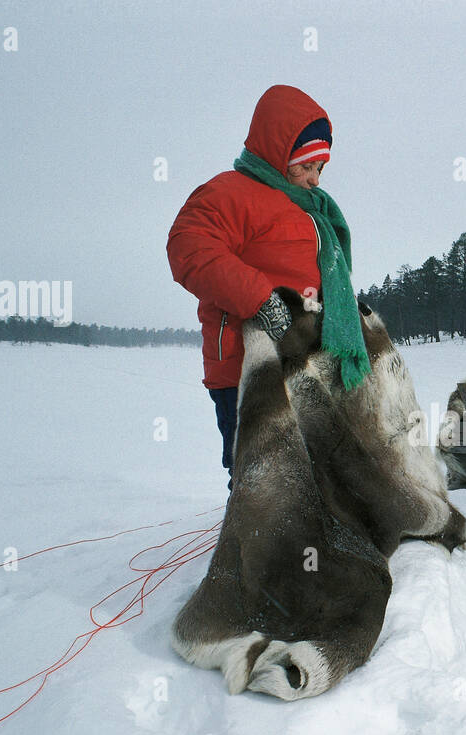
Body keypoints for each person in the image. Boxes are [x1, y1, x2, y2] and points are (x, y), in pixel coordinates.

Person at [167, 84, 368, 488]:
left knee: (312, 469)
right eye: (306, 165)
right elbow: (188, 247)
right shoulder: (229, 193)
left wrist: (342, 314)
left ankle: (311, 546)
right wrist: (260, 299)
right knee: (260, 477)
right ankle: (257, 548)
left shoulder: (309, 208)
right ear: (279, 153)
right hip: (249, 367)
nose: (314, 178)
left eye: (320, 169)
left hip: (305, 361)